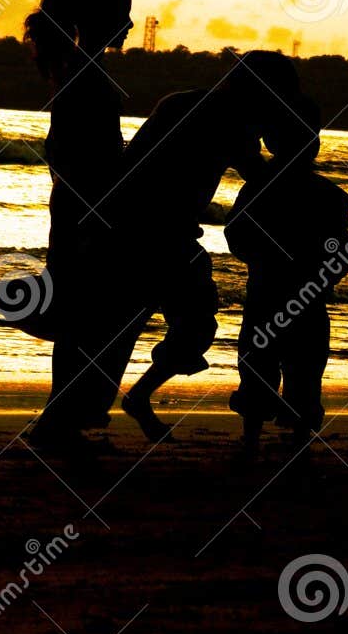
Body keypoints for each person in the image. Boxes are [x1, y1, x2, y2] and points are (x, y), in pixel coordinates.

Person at [112, 52, 300, 440]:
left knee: (132, 322)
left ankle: (123, 399)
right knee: (195, 324)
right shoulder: (232, 122)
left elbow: (130, 163)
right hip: (166, 236)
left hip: (130, 227)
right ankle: (135, 397)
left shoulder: (180, 102)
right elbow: (260, 175)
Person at [17, 0, 134, 449]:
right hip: (86, 213)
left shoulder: (81, 70)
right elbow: (66, 151)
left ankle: (63, 417)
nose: (130, 25)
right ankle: (59, 420)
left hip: (77, 209)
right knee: (83, 318)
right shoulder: (87, 76)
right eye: (123, 15)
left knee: (78, 317)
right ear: (101, 18)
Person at [224, 96, 348, 451]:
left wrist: (261, 259)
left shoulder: (259, 187)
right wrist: (325, 278)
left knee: (258, 364)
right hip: (308, 298)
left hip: (266, 291)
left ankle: (252, 436)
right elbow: (341, 250)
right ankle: (298, 439)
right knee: (305, 372)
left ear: (272, 143)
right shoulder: (332, 196)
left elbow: (236, 234)